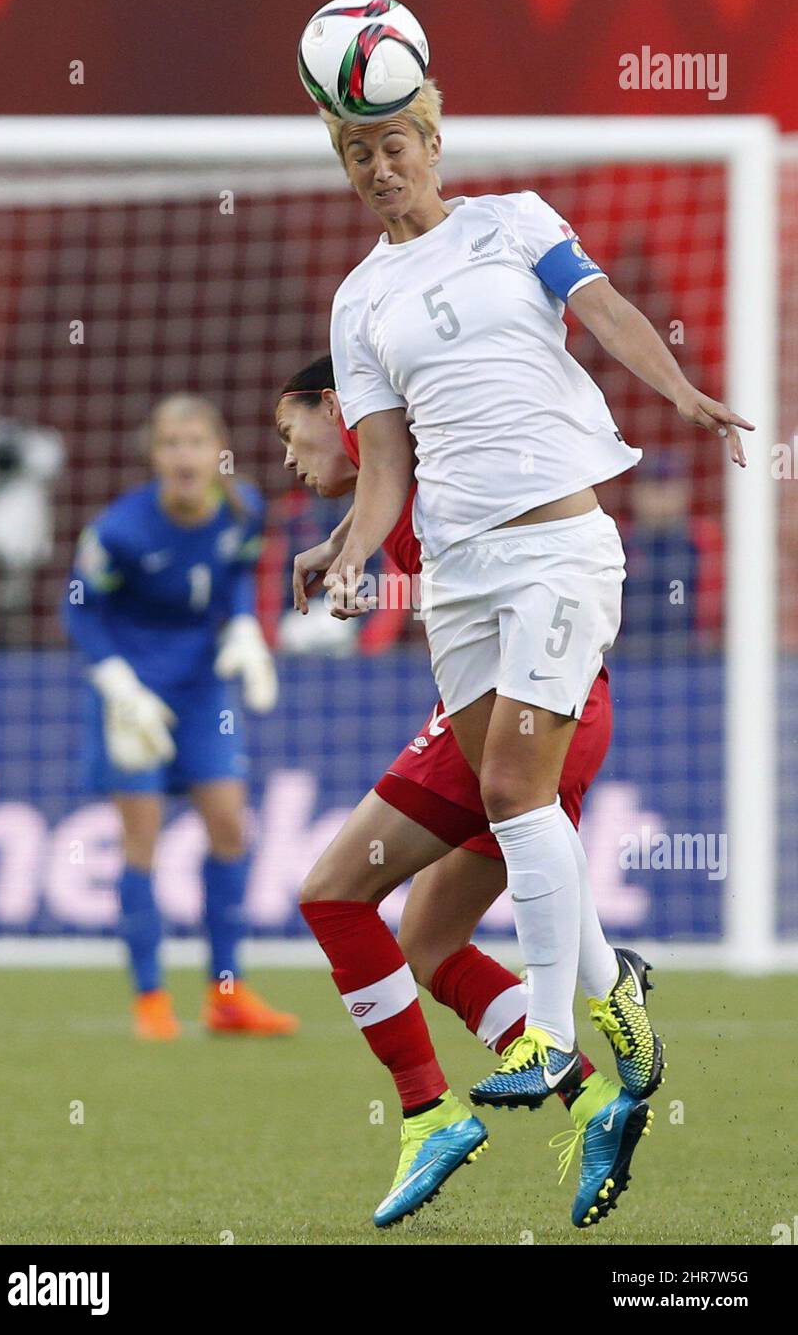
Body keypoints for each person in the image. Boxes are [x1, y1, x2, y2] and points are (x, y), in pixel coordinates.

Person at [316, 83, 751, 1131]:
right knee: (518, 800)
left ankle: (552, 1040)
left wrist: (682, 391)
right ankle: (618, 991)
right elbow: (384, 465)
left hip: (559, 545)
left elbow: (603, 310)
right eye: (358, 154)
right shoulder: (356, 303)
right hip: (457, 580)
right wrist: (350, 551)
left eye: (393, 145)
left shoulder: (514, 220)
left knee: (515, 788)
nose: (380, 168)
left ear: (431, 141)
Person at [276, 354, 653, 1229]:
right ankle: (596, 1095)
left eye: (289, 432)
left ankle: (430, 1112)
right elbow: (388, 488)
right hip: (554, 704)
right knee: (433, 940)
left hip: (520, 708)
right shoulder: (403, 477)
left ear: (337, 406)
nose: (289, 459)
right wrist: (339, 547)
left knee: (333, 895)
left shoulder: (446, 450)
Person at [63, 393, 297, 1041]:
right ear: (155, 456)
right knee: (141, 839)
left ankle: (226, 993)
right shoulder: (119, 530)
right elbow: (79, 609)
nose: (184, 456)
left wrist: (247, 625)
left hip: (202, 692)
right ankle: (150, 1000)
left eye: (195, 442)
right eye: (171, 444)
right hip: (132, 696)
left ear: (216, 450)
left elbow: (243, 571)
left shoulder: (243, 509)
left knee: (229, 827)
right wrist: (116, 683)